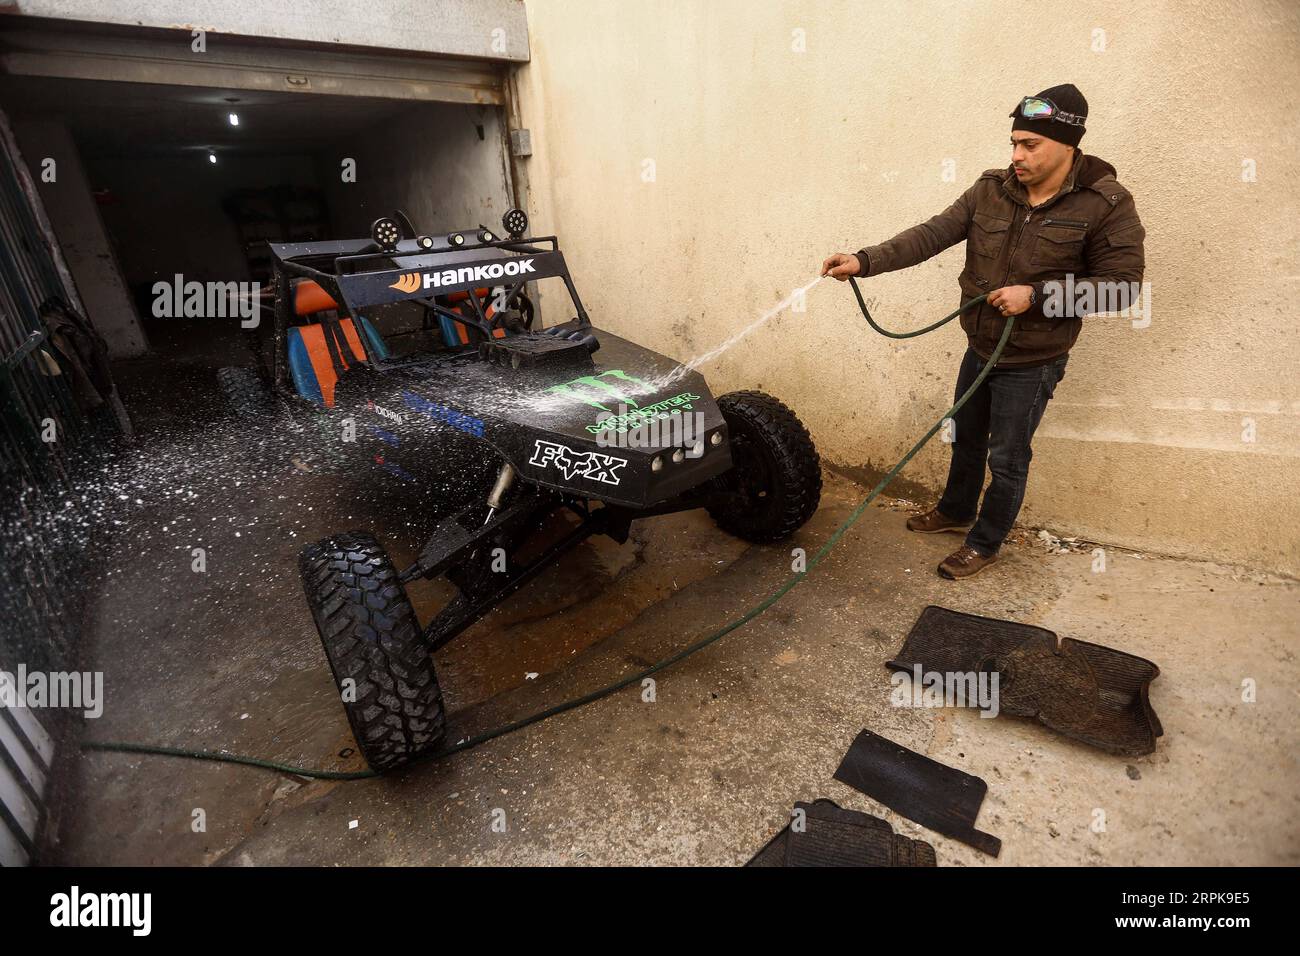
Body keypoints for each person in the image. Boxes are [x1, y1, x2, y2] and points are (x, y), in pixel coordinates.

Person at [821, 84, 1145, 579]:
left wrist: (1036, 296)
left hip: (1033, 359)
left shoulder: (1106, 205)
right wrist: (864, 261)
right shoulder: (990, 189)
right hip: (981, 344)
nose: (1017, 154)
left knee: (1008, 457)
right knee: (965, 436)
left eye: (1030, 144)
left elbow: (1121, 290)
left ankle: (985, 541)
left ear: (1067, 145)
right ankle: (956, 510)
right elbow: (932, 233)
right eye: (1014, 142)